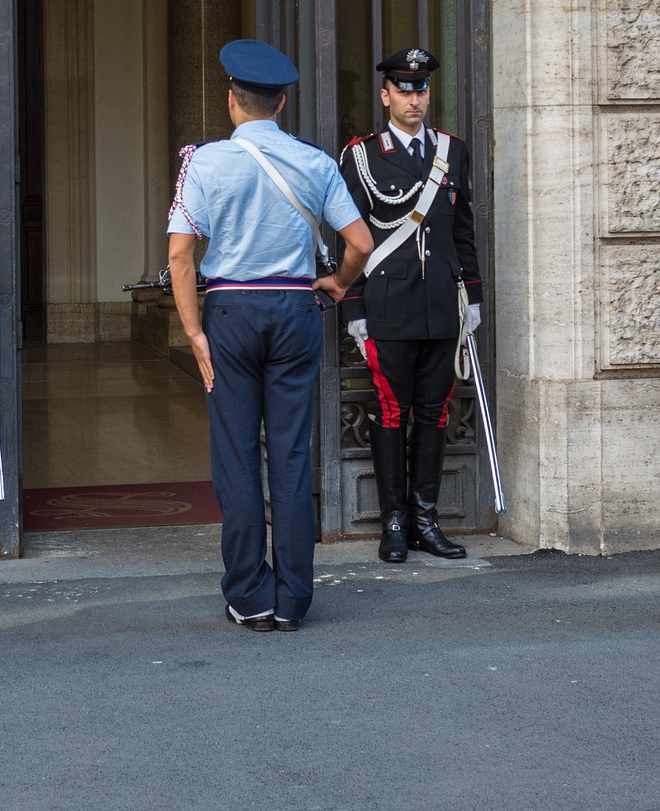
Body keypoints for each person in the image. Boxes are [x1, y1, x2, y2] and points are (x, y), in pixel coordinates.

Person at [167, 39, 373, 632]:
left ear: (232, 100)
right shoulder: (315, 162)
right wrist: (335, 281)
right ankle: (293, 598)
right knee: (289, 453)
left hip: (230, 309)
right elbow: (359, 243)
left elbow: (182, 255)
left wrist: (193, 333)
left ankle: (249, 596)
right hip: (295, 305)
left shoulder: (203, 163)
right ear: (282, 103)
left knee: (235, 455)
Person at [336, 47, 484, 563]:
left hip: (442, 303)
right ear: (386, 95)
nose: (414, 98)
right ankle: (394, 522)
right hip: (388, 302)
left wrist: (474, 297)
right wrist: (353, 307)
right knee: (393, 412)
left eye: (421, 89)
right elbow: (348, 239)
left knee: (435, 412)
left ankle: (426, 519)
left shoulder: (452, 151)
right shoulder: (362, 155)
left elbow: (463, 231)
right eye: (404, 89)